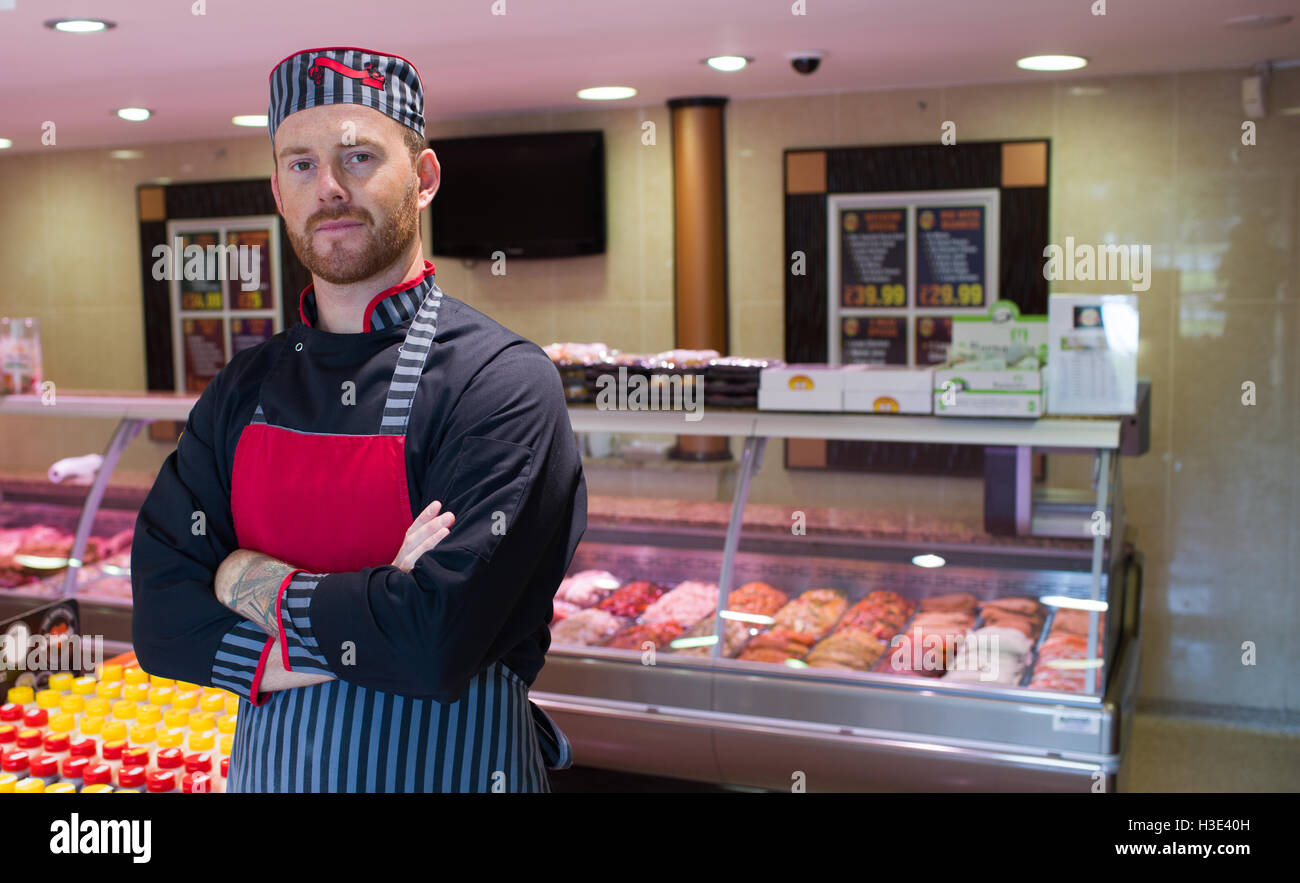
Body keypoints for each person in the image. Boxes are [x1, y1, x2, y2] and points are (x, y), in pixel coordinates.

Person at [130, 46, 586, 792]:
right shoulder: (243, 388)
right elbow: (163, 622)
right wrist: (381, 599)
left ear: (425, 177)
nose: (330, 188)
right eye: (301, 164)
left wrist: (246, 578)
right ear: (279, 191)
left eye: (359, 156)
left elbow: (431, 642)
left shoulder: (502, 383)